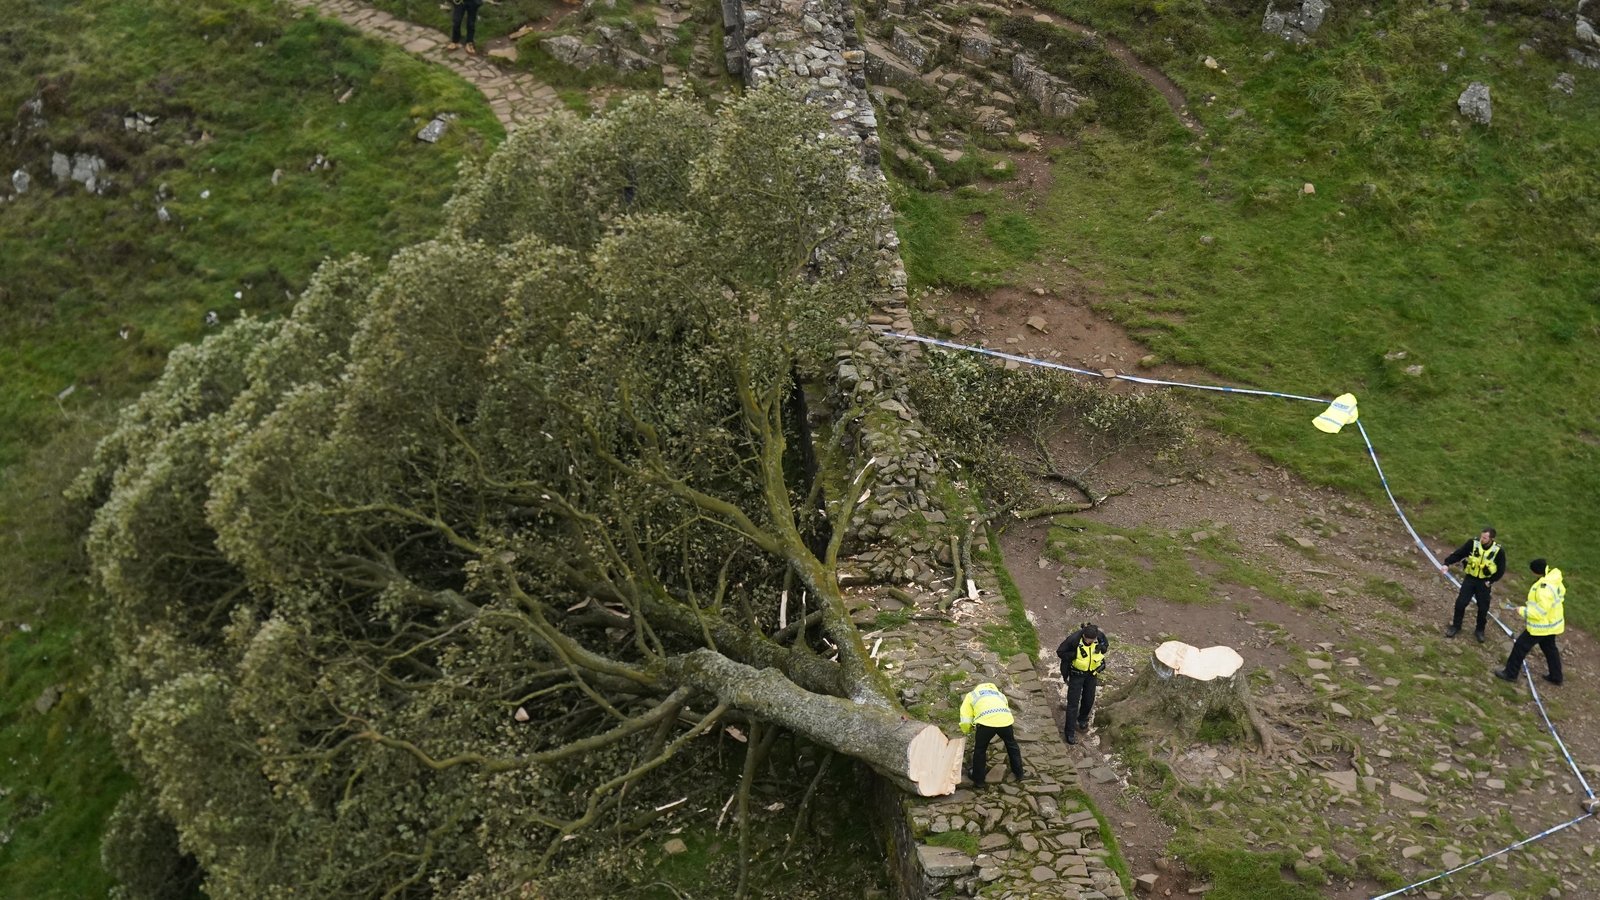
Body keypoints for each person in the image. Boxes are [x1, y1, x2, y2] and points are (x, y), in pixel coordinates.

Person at [1496, 558, 1564, 685]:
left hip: (1541, 626)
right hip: (1552, 623)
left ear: (1537, 572)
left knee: (1520, 647)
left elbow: (1539, 612)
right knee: (1550, 648)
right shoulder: (1554, 580)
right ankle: (1556, 676)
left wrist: (1522, 610)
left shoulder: (1543, 589)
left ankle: (1510, 673)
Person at [1439, 527, 1506, 642]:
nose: (1482, 539)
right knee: (1460, 603)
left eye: (1485, 538)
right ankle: (1456, 626)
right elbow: (1459, 554)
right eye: (1481, 536)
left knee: (1483, 608)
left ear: (1492, 539)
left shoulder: (1498, 551)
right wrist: (1447, 563)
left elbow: (1501, 569)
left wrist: (1491, 581)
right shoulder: (1472, 543)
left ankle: (1480, 630)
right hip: (1470, 579)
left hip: (1484, 583)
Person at [959, 682, 1024, 786]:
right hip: (1005, 722)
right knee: (1012, 746)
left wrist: (967, 729)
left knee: (980, 749)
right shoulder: (1000, 695)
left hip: (985, 724)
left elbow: (965, 718)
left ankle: (978, 779)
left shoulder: (972, 695)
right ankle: (1019, 772)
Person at [1057, 622, 1108, 745]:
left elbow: (1105, 644)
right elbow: (1060, 652)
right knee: (1073, 703)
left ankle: (1082, 719)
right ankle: (1069, 732)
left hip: (1092, 674)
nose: (1090, 642)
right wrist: (1073, 656)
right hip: (1076, 674)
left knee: (1089, 699)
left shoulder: (1099, 636)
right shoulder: (1074, 639)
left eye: (1092, 640)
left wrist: (1102, 648)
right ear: (1084, 635)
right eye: (1088, 639)